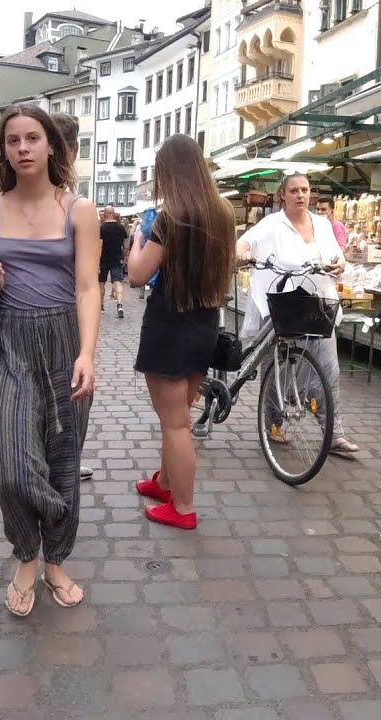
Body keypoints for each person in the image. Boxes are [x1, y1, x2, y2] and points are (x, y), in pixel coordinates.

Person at [0, 104, 100, 617]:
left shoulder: (78, 210)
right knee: (15, 466)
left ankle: (53, 562)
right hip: (11, 346)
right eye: (12, 140)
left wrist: (87, 353)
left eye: (32, 138)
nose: (22, 148)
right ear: (3, 150)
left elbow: (88, 287)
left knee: (64, 458)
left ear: (50, 146)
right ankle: (28, 549)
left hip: (65, 341)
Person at [128, 135, 233, 530]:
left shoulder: (171, 218)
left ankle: (183, 508)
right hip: (204, 324)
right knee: (177, 416)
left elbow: (137, 275)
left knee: (175, 423)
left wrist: (136, 242)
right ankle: (165, 483)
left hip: (169, 325)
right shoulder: (223, 212)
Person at [235, 173, 361, 456]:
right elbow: (244, 243)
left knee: (329, 369)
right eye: (294, 190)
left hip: (318, 305)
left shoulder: (322, 224)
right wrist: (242, 252)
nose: (300, 195)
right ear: (283, 194)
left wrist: (339, 263)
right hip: (281, 304)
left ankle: (334, 434)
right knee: (275, 367)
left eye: (304, 190)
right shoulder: (272, 224)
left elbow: (337, 256)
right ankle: (273, 424)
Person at [51, 111, 96, 483]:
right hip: (65, 316)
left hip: (65, 316)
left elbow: (88, 285)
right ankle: (64, 461)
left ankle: (62, 463)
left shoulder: (80, 208)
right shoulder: (77, 206)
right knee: (71, 397)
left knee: (71, 395)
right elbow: (87, 283)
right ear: (75, 151)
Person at [100, 206, 130, 317]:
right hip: (117, 258)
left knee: (101, 283)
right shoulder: (121, 228)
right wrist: (125, 256)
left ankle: (101, 306)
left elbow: (99, 246)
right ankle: (119, 305)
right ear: (113, 213)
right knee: (117, 282)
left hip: (103, 259)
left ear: (105, 214)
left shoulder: (101, 228)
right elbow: (126, 245)